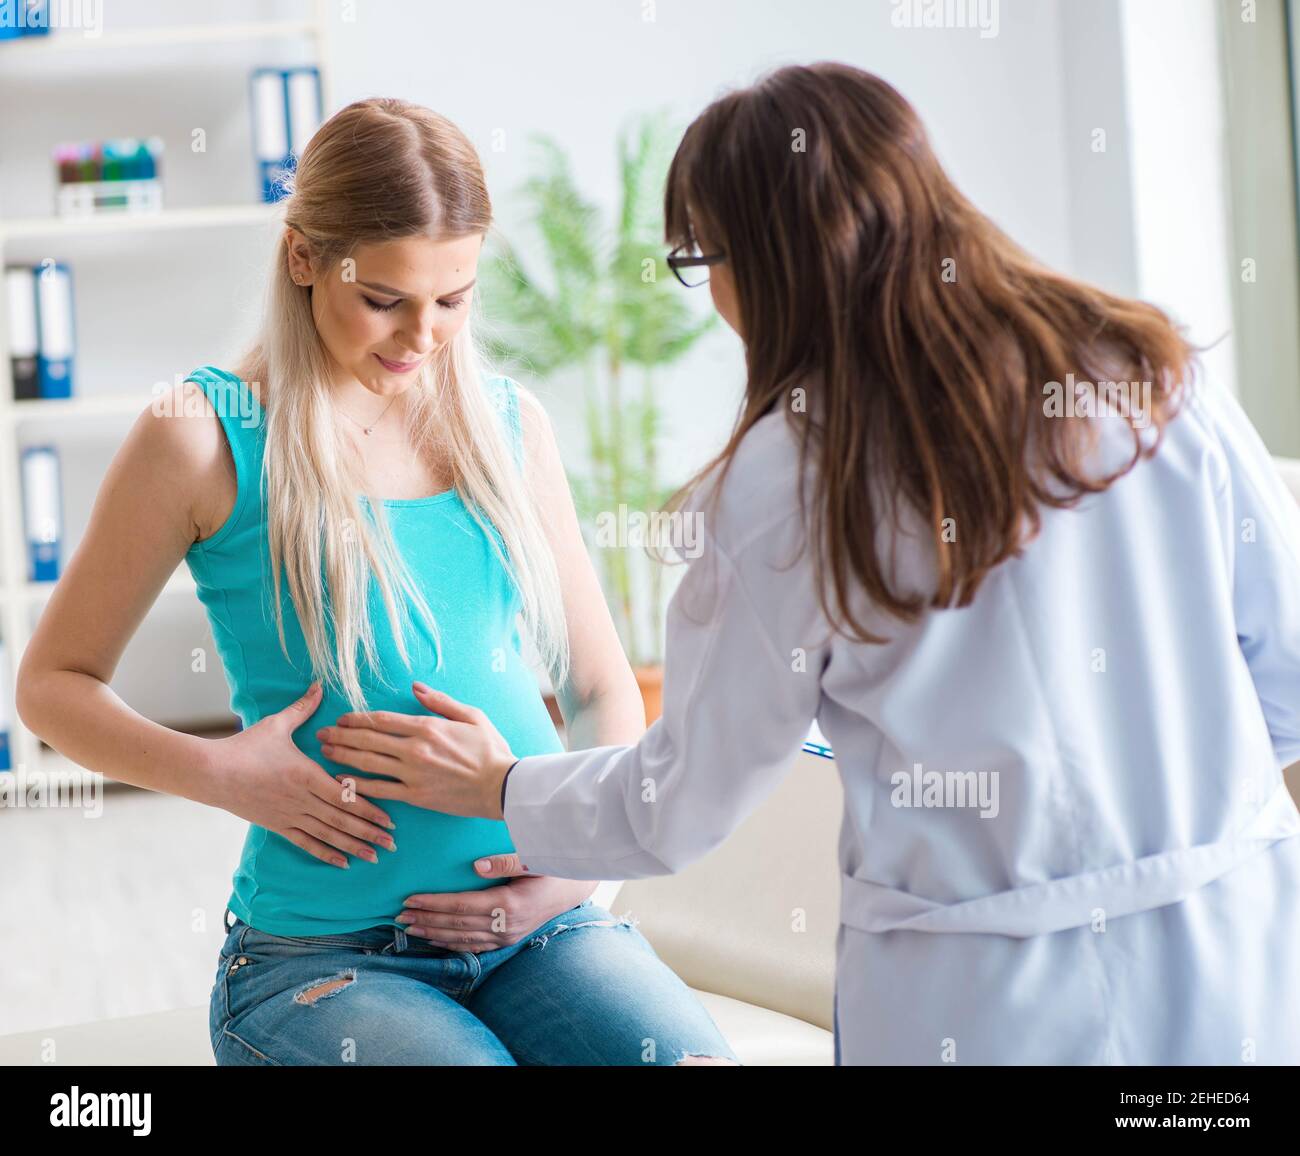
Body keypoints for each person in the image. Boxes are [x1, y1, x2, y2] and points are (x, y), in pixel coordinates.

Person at [320, 64, 1300, 1065]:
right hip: (1231, 950)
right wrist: (1177, 818)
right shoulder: (1148, 371)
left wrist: (503, 785)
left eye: (704, 261)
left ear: (764, 261)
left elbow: (682, 805)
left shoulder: (787, 479)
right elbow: (1289, 680)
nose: (715, 299)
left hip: (983, 999)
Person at [16, 98, 738, 1066]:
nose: (422, 336)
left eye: (453, 300)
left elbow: (603, 688)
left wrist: (568, 875)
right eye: (385, 299)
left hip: (541, 929)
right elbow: (52, 686)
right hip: (323, 958)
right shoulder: (202, 434)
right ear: (303, 258)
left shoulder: (508, 426)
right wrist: (219, 773)